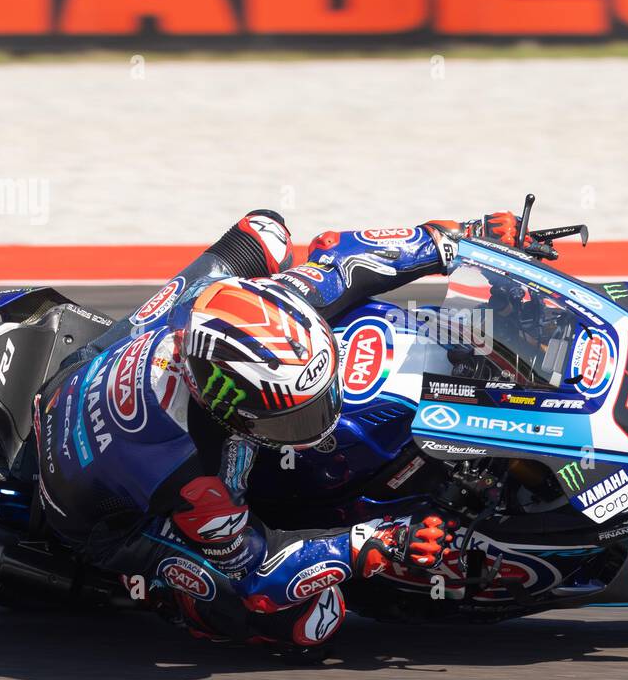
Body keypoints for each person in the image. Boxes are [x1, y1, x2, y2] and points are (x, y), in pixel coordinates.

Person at [31, 208, 519, 650]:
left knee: (265, 231)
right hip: (95, 516)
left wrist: (458, 241)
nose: (319, 423)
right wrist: (371, 544)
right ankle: (181, 602)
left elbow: (343, 257)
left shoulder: (262, 304)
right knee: (306, 618)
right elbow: (258, 572)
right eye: (295, 415)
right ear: (227, 406)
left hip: (93, 365)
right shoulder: (201, 481)